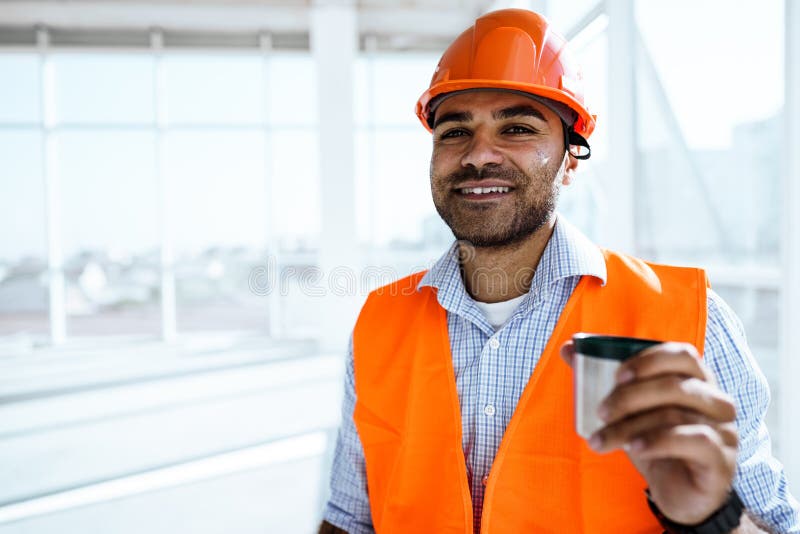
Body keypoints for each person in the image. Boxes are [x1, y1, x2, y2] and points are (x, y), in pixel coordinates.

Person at [319, 8, 799, 534]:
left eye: (518, 128)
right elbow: (349, 519)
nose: (480, 155)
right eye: (454, 132)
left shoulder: (689, 319)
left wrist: (709, 517)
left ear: (572, 158)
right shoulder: (380, 323)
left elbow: (774, 523)